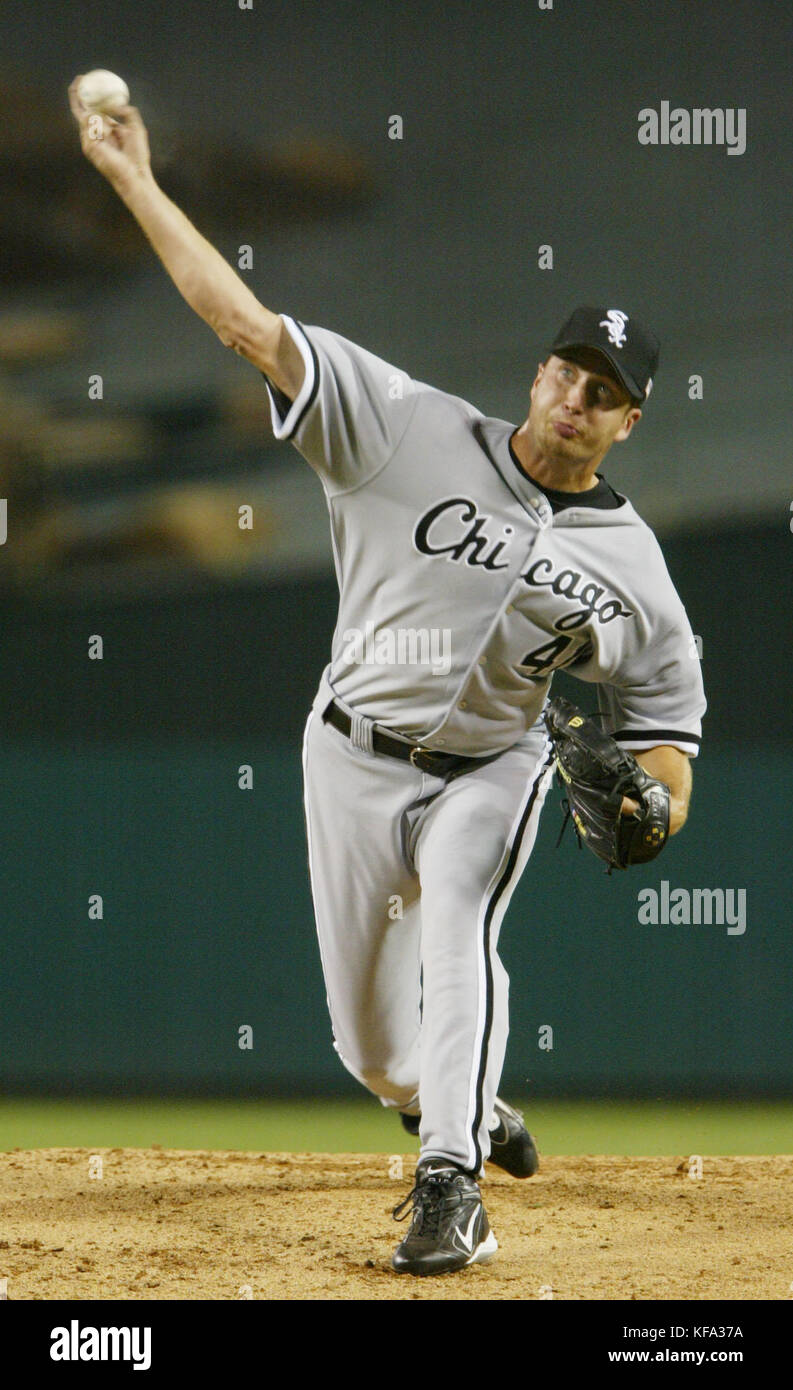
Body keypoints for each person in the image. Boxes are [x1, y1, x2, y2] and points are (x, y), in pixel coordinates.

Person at [69, 85, 705, 1278]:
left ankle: (449, 1184)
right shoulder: (398, 423)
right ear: (538, 374)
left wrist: (657, 807)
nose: (579, 399)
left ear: (629, 423)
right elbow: (243, 324)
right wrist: (134, 182)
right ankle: (443, 1103)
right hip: (347, 752)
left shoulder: (636, 573)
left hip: (495, 767)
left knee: (461, 919)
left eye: (606, 391)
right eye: (572, 372)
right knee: (368, 1050)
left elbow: (670, 723)